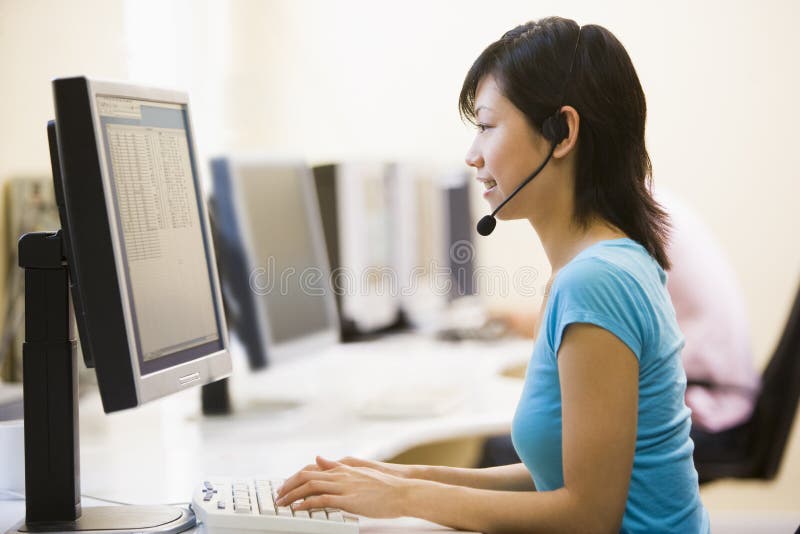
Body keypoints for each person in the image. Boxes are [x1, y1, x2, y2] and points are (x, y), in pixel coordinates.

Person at [276, 17, 709, 533]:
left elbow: (588, 515)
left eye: (486, 126)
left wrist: (405, 497)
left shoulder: (596, 282)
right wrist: (398, 479)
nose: (472, 154)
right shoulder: (606, 264)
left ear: (562, 132)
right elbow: (554, 480)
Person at [483, 187, 761, 468]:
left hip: (705, 406)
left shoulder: (626, 227)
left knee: (508, 451)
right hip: (719, 395)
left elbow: (594, 320)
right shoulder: (645, 209)